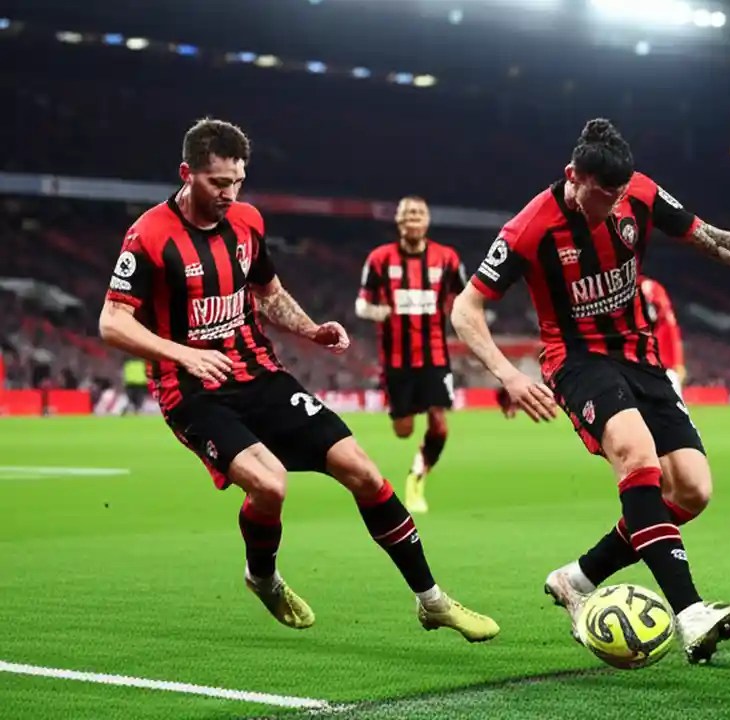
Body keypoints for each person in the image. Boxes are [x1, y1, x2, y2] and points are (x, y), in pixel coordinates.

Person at [451, 118, 730, 663]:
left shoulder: (640, 195)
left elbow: (716, 242)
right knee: (636, 455)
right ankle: (690, 611)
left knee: (691, 490)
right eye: (605, 195)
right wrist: (509, 374)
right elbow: (466, 307)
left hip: (641, 357)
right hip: (577, 360)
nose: (615, 205)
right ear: (573, 177)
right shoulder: (529, 229)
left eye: (621, 194)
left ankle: (578, 577)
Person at [99, 118, 497, 642]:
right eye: (219, 183)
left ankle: (433, 601)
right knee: (270, 485)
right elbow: (112, 320)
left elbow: (267, 292)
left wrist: (310, 329)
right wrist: (185, 355)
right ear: (187, 174)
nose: (229, 193)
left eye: (237, 181)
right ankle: (262, 577)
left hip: (259, 373)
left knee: (363, 471)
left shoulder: (246, 222)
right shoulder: (149, 234)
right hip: (192, 391)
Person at [356, 196, 466, 513]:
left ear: (427, 220)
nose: (413, 218)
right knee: (403, 430)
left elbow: (466, 296)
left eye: (419, 213)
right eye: (407, 214)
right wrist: (383, 313)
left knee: (439, 425)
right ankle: (408, 411)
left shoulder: (447, 258)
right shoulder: (379, 259)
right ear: (399, 221)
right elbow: (361, 305)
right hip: (396, 360)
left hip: (434, 356)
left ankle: (416, 477)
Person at [640, 275, 686, 397]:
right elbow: (670, 325)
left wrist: (677, 361)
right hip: (644, 364)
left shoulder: (649, 287)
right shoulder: (650, 287)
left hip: (657, 364)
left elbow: (669, 324)